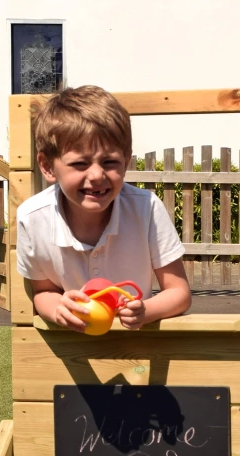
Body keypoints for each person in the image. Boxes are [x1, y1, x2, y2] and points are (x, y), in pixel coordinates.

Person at [16, 85, 191, 330]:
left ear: (126, 162)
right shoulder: (32, 218)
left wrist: (146, 311)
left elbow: (179, 292)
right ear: (47, 166)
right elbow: (43, 291)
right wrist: (58, 309)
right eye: (80, 163)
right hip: (70, 344)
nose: (97, 175)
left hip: (136, 344)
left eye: (109, 162)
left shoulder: (147, 209)